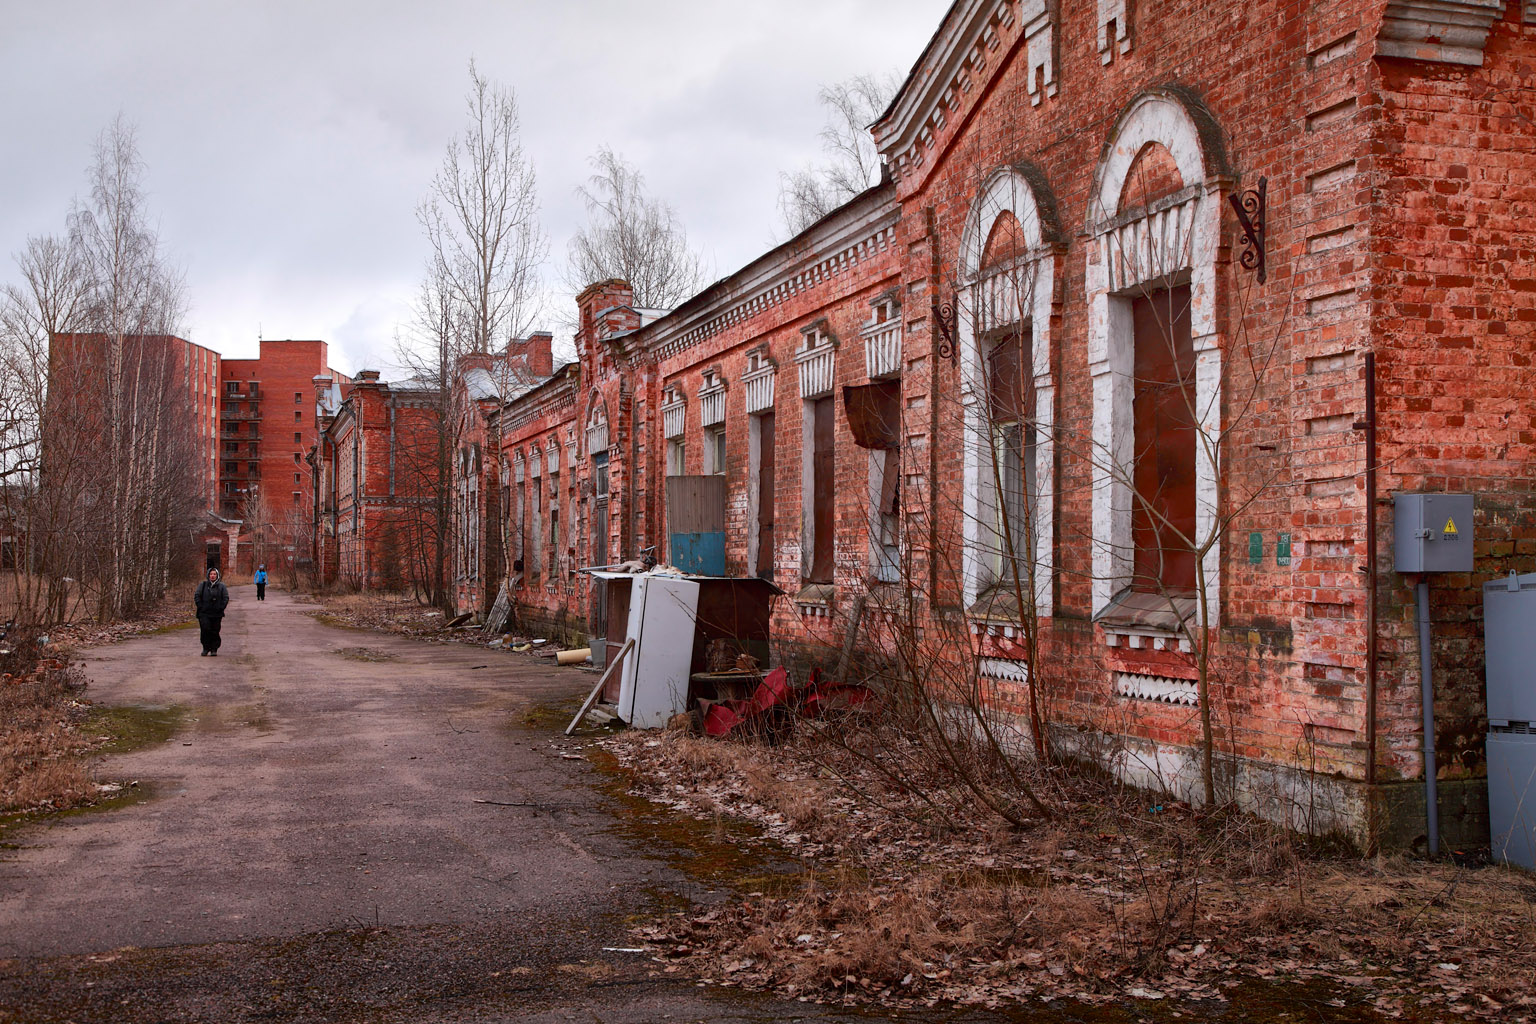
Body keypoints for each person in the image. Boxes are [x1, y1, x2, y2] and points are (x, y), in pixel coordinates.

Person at [194, 567, 230, 656]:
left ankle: (214, 649)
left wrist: (221, 607)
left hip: (217, 613)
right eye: (211, 574)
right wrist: (201, 606)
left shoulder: (222, 586)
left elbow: (225, 598)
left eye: (214, 574)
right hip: (204, 613)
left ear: (217, 575)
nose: (212, 576)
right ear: (208, 575)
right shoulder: (202, 585)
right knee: (205, 630)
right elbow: (197, 596)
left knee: (215, 631)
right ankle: (205, 648)